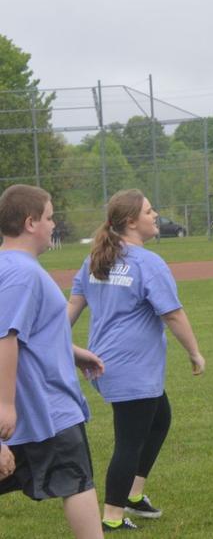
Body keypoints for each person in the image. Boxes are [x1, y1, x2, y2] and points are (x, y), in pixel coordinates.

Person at [67, 190, 206, 532]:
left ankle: (132, 494)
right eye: (149, 210)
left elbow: (69, 311)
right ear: (131, 222)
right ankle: (113, 516)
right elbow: (173, 315)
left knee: (160, 419)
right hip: (129, 368)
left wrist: (60, 346)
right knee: (129, 440)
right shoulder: (148, 263)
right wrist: (195, 353)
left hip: (105, 365)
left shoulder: (96, 258)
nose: (155, 214)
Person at [0, 184, 106, 539]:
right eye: (48, 216)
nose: (53, 223)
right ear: (31, 223)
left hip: (34, 408)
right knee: (77, 483)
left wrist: (73, 353)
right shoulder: (22, 273)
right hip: (45, 409)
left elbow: (28, 331)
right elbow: (6, 336)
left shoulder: (10, 265)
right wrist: (5, 405)